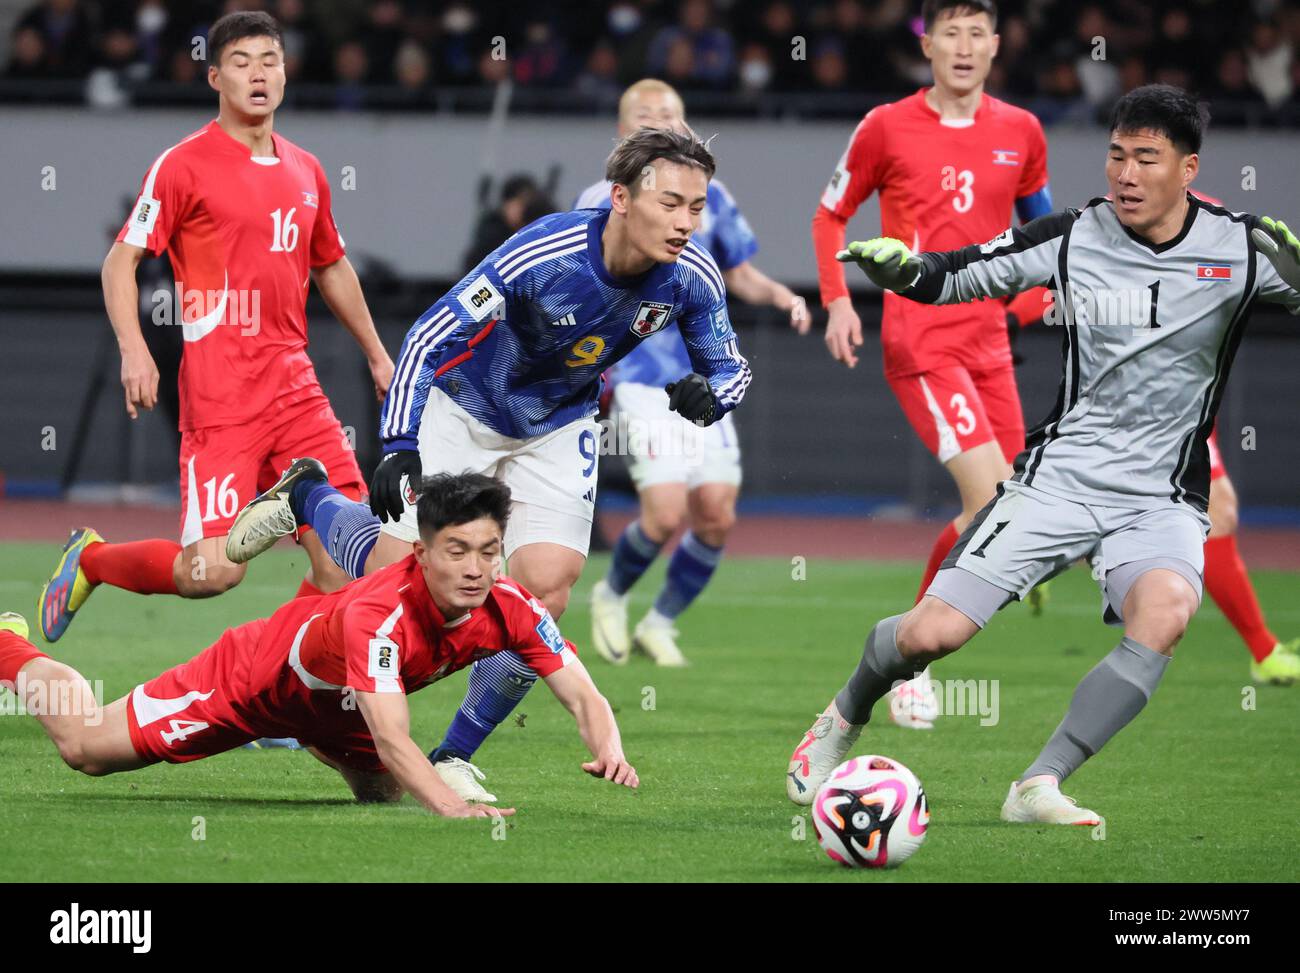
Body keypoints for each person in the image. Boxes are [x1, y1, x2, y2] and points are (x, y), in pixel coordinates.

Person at [787, 84, 1300, 824]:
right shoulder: (1073, 234)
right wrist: (908, 272)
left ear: (1188, 169)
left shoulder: (1243, 248)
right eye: (1116, 155)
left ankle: (1038, 784)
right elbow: (962, 270)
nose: (1124, 173)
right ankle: (842, 715)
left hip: (1161, 496)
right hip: (1058, 481)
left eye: (1145, 159)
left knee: (1165, 613)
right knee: (934, 633)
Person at [224, 126, 750, 800]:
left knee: (546, 591)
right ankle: (308, 498)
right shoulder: (545, 249)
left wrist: (712, 396)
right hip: (466, 407)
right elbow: (428, 334)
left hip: (559, 423)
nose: (685, 223)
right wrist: (399, 443)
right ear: (620, 197)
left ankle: (454, 754)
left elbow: (731, 371)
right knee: (399, 575)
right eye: (671, 203)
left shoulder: (691, 277)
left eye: (696, 207)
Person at [37, 11, 394, 643]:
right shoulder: (183, 164)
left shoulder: (307, 170)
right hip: (221, 397)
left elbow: (331, 264)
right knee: (212, 573)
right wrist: (134, 350)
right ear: (215, 77)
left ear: (285, 73)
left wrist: (377, 354)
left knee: (347, 554)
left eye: (270, 61)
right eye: (242, 62)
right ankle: (91, 560)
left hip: (296, 390)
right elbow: (120, 260)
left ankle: (280, 701)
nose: (259, 74)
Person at [2, 474, 638, 816]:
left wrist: (610, 749)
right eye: (458, 551)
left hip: (339, 702)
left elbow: (582, 694)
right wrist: (451, 807)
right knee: (85, 748)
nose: (476, 569)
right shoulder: (379, 616)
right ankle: (9, 646)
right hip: (254, 681)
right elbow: (394, 737)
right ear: (421, 553)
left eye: (489, 552)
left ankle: (310, 727)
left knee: (384, 794)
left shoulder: (510, 606)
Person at [811, 0, 1055, 729]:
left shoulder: (1022, 130)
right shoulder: (885, 125)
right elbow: (831, 215)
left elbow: (1046, 235)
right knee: (990, 507)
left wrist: (1030, 304)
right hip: (919, 342)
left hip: (989, 344)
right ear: (928, 44)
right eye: (949, 31)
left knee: (1006, 511)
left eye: (977, 31)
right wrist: (838, 302)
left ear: (995, 45)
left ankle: (916, 637)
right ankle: (905, 666)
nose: (963, 45)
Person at [577, 78, 807, 667]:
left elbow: (738, 271)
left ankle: (660, 622)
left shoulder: (713, 196)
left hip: (705, 376)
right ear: (623, 133)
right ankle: (612, 593)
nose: (659, 124)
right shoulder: (601, 199)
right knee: (665, 512)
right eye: (645, 116)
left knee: (717, 513)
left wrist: (782, 296)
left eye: (670, 116)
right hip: (643, 372)